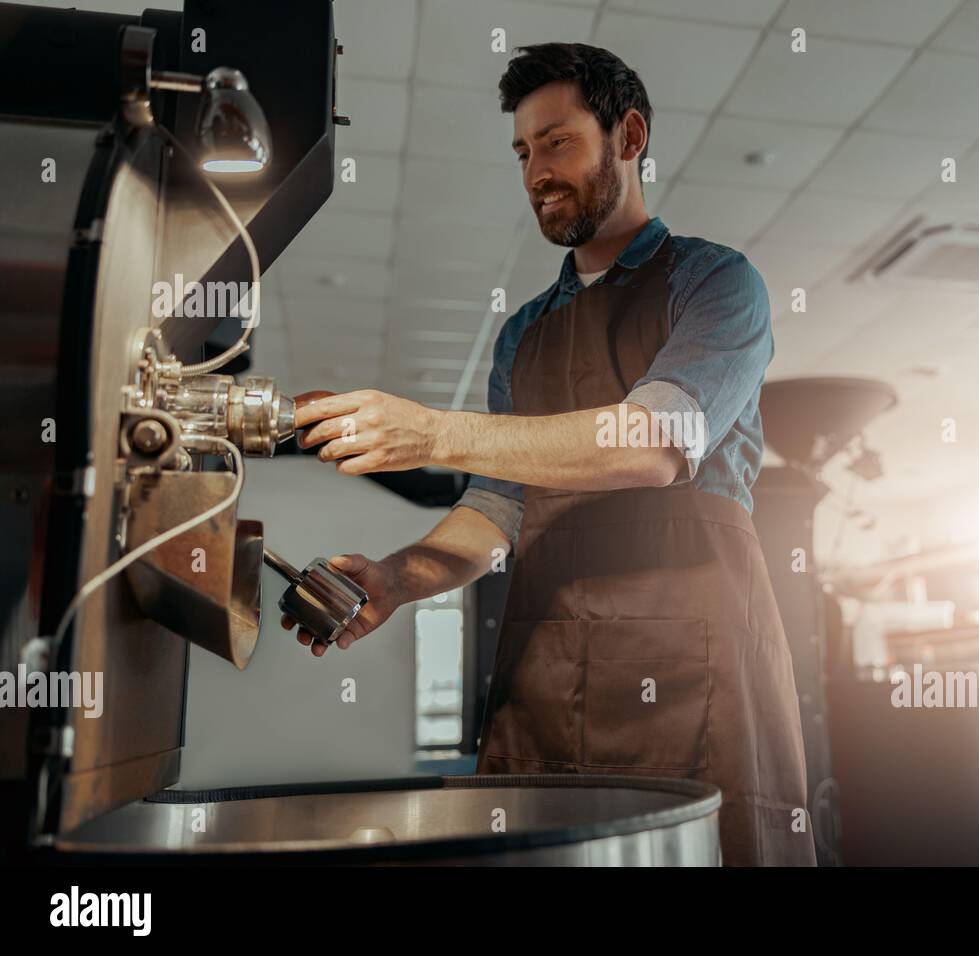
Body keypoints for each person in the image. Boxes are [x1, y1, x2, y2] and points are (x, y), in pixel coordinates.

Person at [290, 42, 814, 866]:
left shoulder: (716, 285)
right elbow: (496, 511)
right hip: (547, 676)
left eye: (558, 141)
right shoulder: (521, 334)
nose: (536, 171)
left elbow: (652, 442)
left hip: (696, 676)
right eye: (524, 152)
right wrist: (397, 578)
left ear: (630, 136)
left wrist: (432, 433)